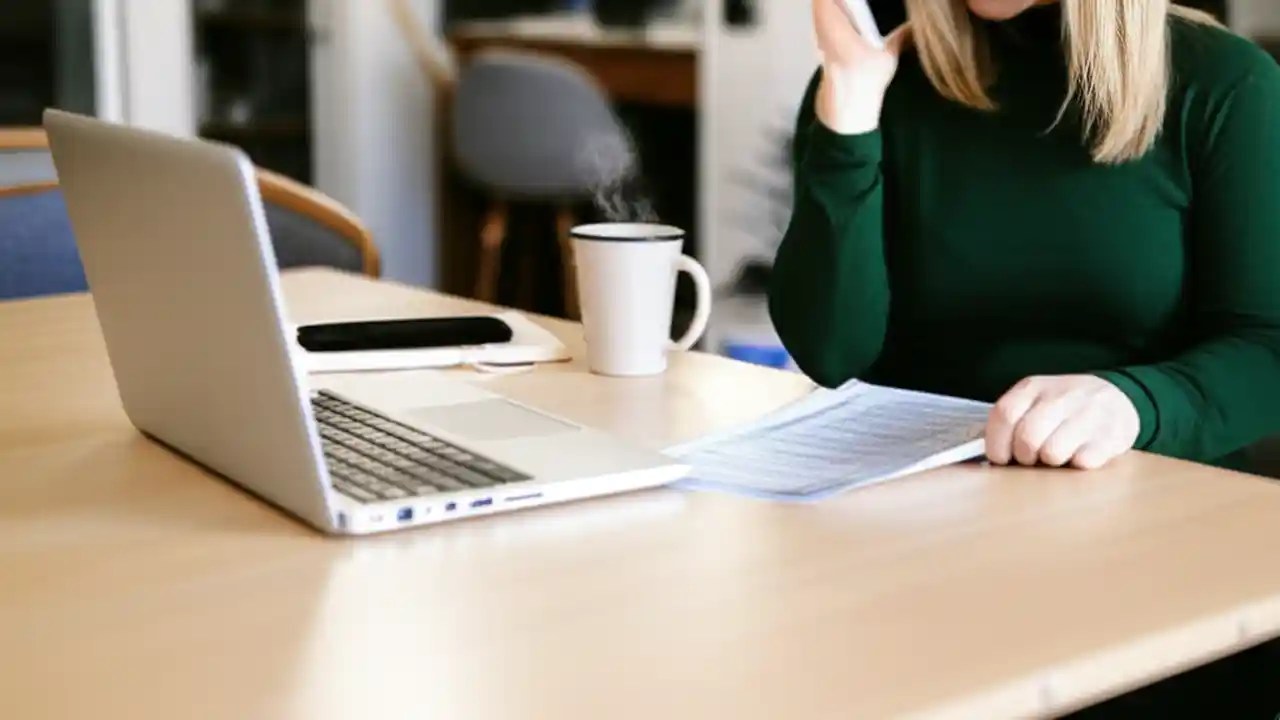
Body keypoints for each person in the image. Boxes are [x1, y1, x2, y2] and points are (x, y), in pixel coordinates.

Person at [770, 0, 1280, 472]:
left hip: (1158, 502)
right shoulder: (876, 85)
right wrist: (851, 97)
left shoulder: (1227, 84)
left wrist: (1135, 404)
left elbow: (1265, 349)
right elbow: (832, 355)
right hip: (924, 506)